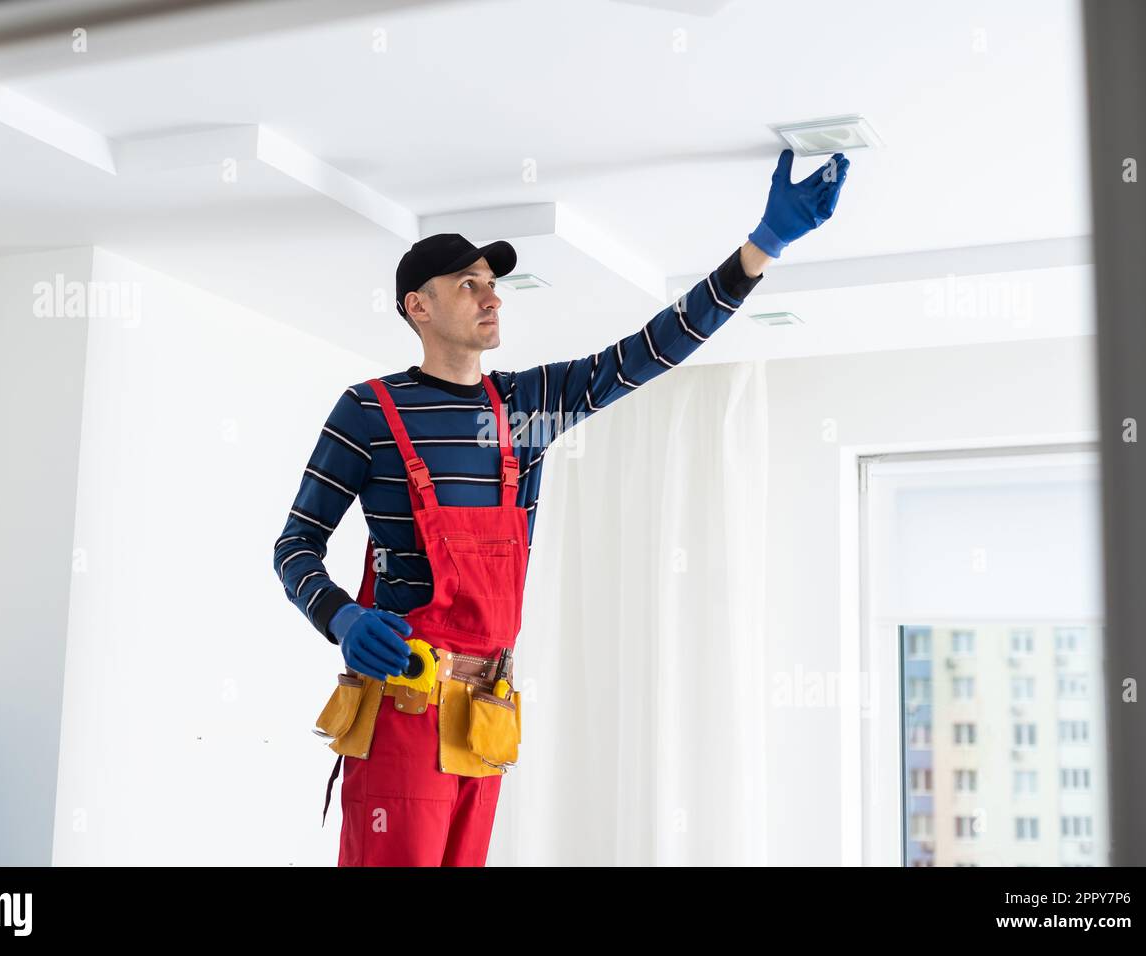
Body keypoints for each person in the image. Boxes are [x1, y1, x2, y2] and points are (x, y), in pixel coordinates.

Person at [273, 148, 850, 866]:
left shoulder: (523, 409)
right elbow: (294, 546)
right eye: (468, 284)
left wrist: (763, 246)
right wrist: (341, 615)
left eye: (493, 284)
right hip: (402, 711)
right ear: (417, 307)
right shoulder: (367, 410)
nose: (492, 297)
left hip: (485, 718)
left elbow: (650, 351)